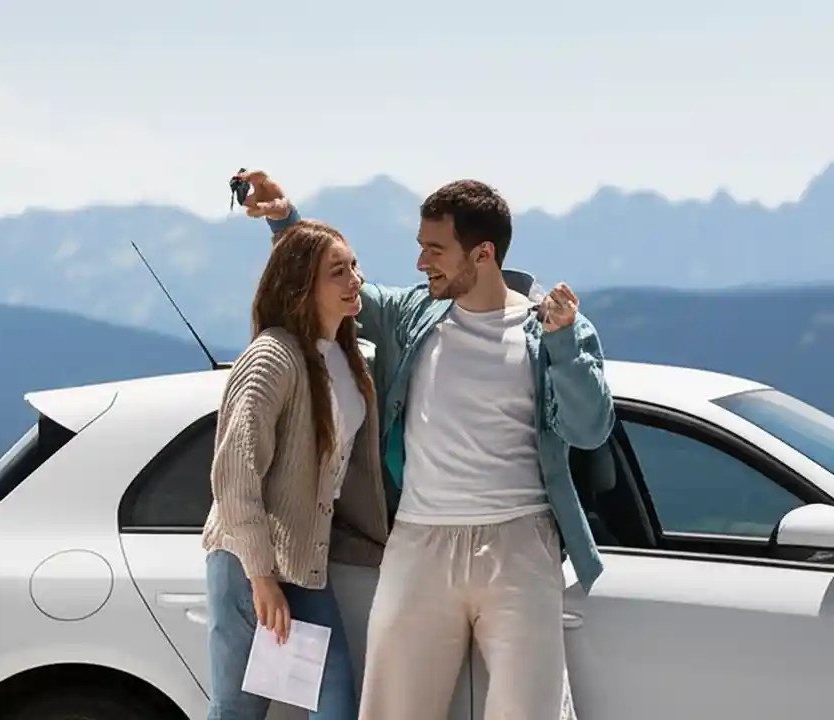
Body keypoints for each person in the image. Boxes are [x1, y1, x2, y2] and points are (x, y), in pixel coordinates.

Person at [236, 170, 614, 720]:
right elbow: (336, 287)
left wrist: (564, 345)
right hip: (420, 541)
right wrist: (283, 220)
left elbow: (590, 429)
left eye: (434, 250)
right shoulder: (415, 316)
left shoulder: (551, 329)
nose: (420, 263)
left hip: (519, 543)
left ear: (482, 253)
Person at [201, 219, 390, 720]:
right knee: (237, 712)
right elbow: (235, 473)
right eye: (338, 272)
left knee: (336, 707)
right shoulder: (271, 357)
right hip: (248, 564)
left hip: (305, 565)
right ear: (302, 286)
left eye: (354, 266)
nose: (355, 280)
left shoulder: (348, 359)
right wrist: (261, 579)